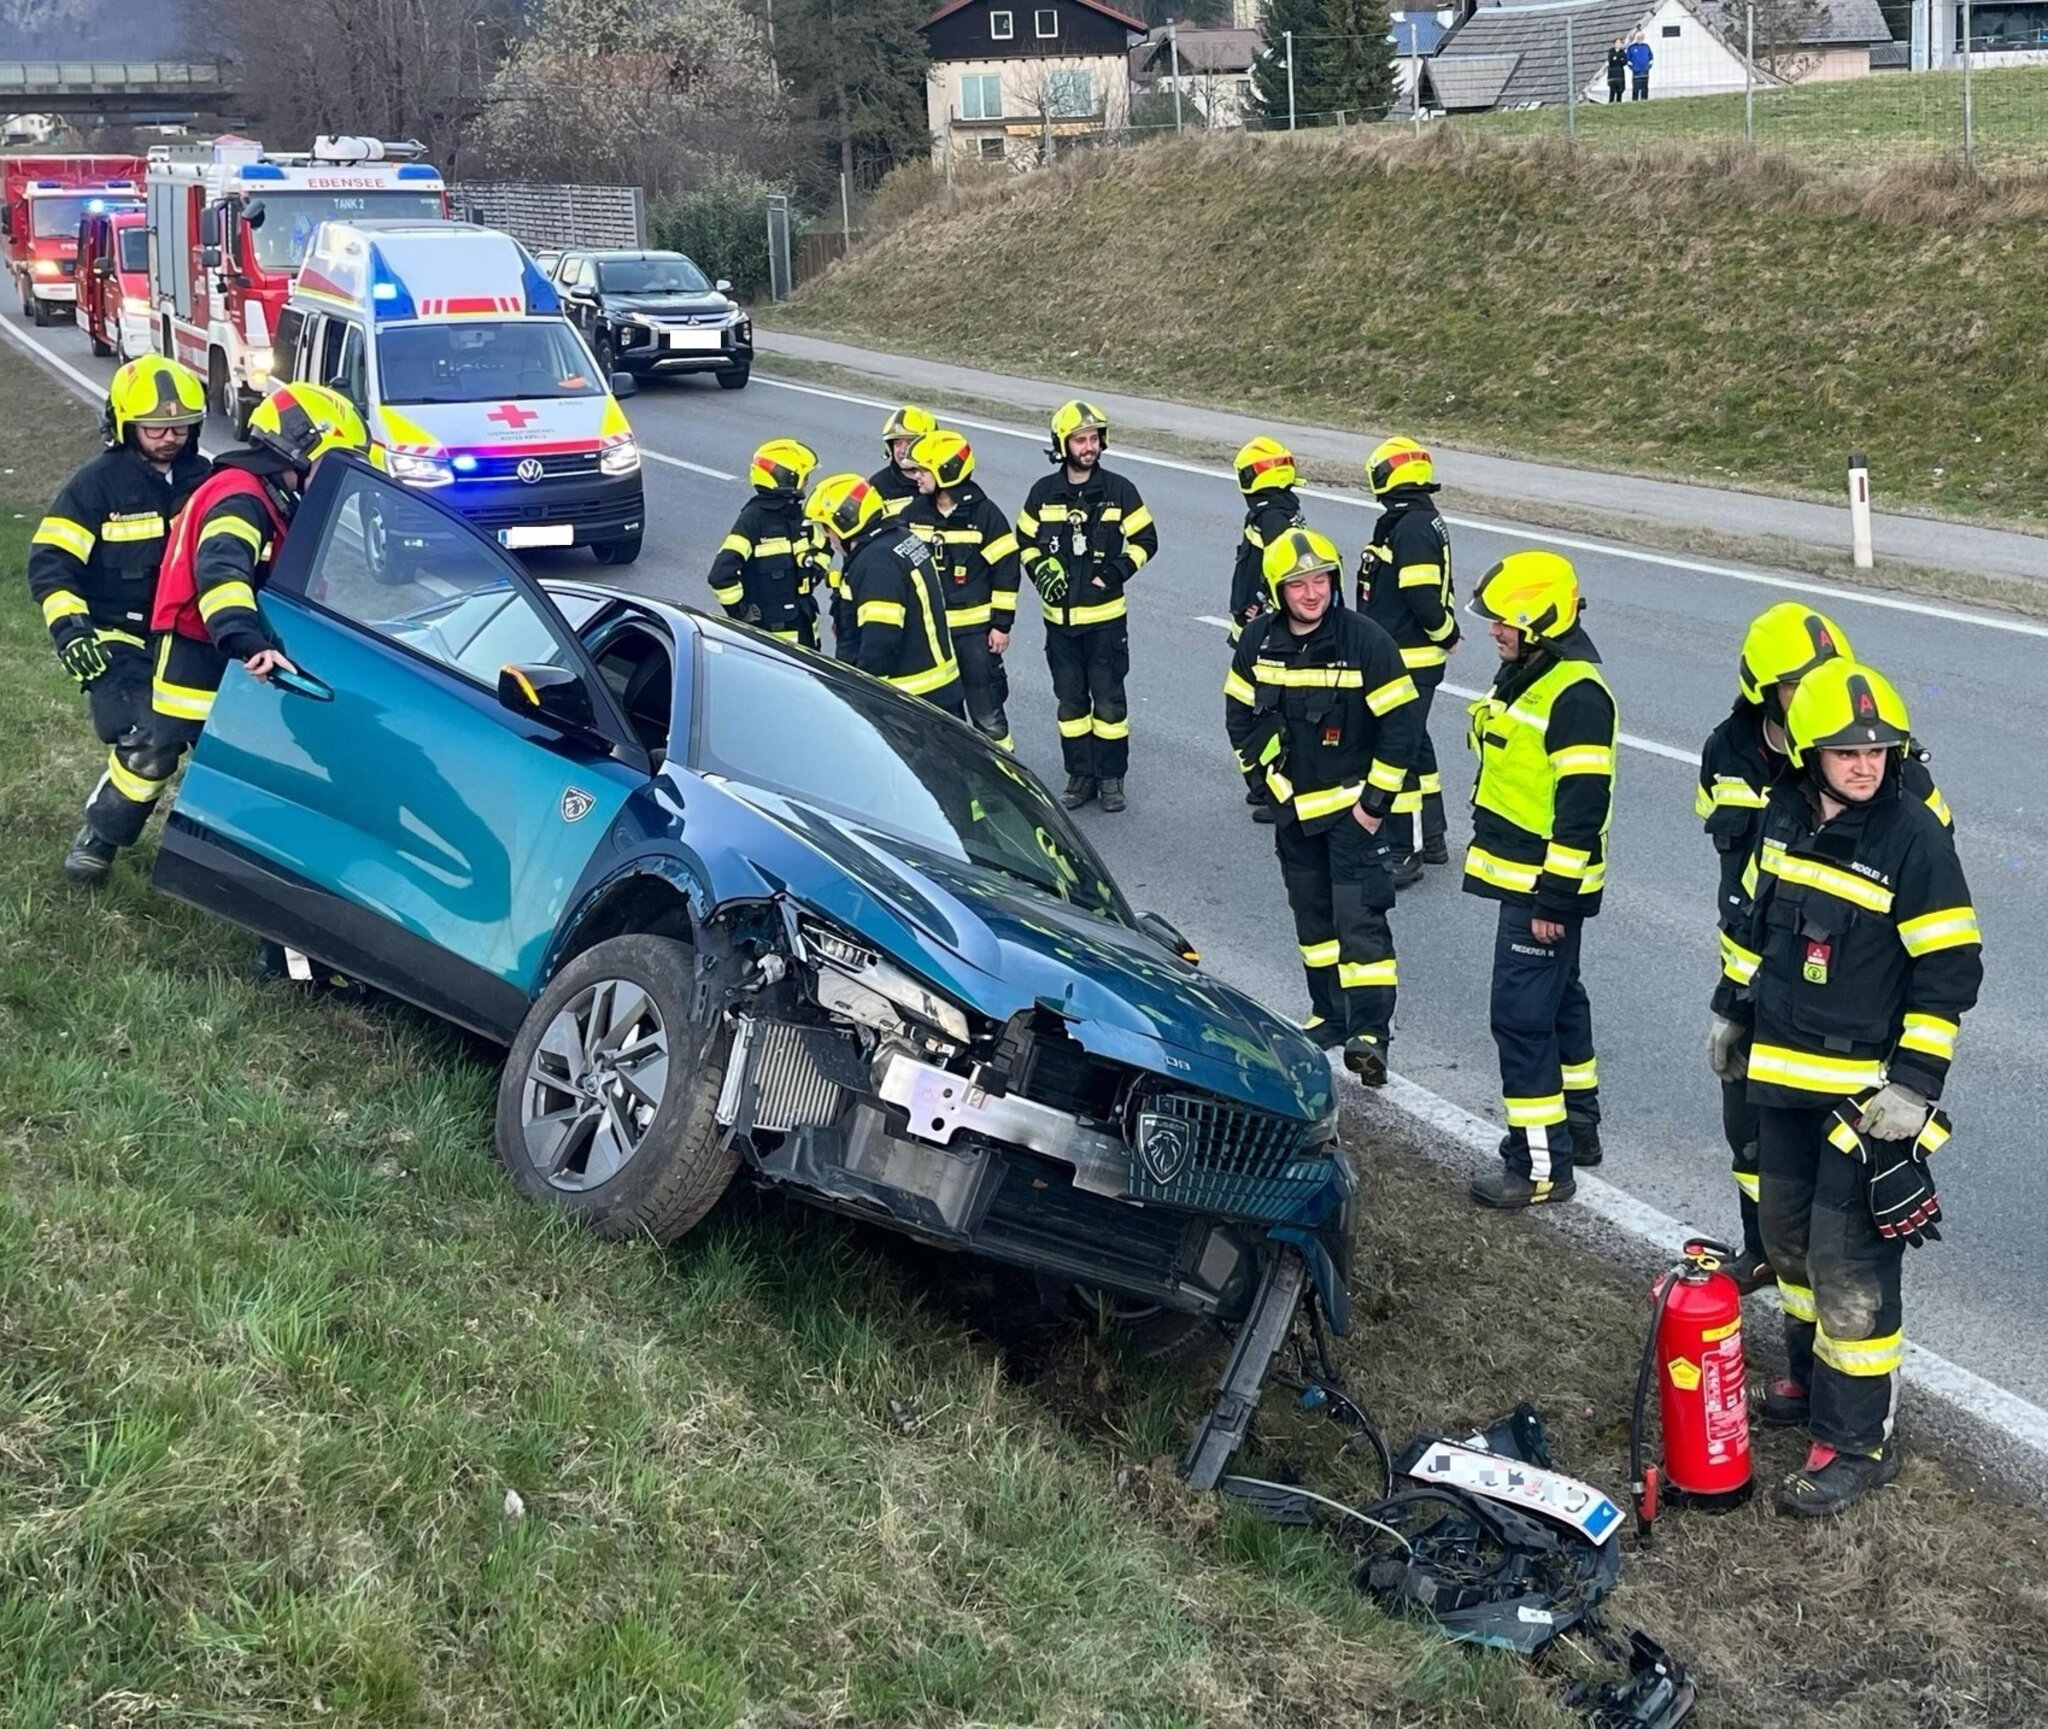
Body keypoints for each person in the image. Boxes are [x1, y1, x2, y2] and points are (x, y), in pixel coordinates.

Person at [1710, 659, 1980, 1516]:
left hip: (1865, 1099)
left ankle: (1859, 1442)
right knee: (1787, 1242)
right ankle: (1808, 1380)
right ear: (1808, 754)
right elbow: (1757, 924)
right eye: (1846, 750)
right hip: (1782, 1074)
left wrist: (1915, 1087)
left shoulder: (1914, 838)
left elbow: (1950, 969)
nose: (1865, 764)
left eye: (1877, 750)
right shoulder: (1784, 814)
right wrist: (1732, 1010)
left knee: (1849, 1264)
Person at [1696, 602, 1952, 1294]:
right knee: (1755, 1148)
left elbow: (1933, 908)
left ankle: (1834, 1334)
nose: (1815, 691)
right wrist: (1734, 1000)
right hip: (1763, 991)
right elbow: (1747, 894)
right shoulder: (1731, 752)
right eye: (1795, 684)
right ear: (1762, 690)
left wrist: (1913, 1072)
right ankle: (1765, 1255)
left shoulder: (1894, 781)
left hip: (1850, 1014)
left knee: (1842, 1214)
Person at [134, 383, 369, 851]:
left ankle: (219, 854)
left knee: (223, 761)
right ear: (300, 448)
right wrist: (248, 639)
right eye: (334, 461)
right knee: (157, 758)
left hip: (232, 649)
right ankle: (102, 842)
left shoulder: (268, 497)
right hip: (198, 650)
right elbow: (221, 573)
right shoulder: (241, 497)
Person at [1226, 528, 1419, 1077]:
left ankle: (1370, 1035)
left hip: (1353, 814)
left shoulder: (1366, 641)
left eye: (1320, 580)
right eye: (1297, 584)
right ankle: (1329, 1015)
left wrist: (1374, 805)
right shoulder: (1258, 641)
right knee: (1314, 924)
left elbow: (1402, 727)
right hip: (1294, 815)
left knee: (1360, 924)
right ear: (1277, 590)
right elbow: (1239, 714)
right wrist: (1262, 781)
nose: (1311, 593)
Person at [1462, 551, 1617, 1209]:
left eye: (1505, 619)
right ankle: (1577, 1128)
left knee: (1521, 1019)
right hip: (1531, 882)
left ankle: (1540, 1165)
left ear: (1541, 621)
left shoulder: (1574, 695)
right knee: (1560, 1001)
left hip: (1541, 889)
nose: (1494, 629)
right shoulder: (1533, 672)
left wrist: (1553, 898)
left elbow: (1581, 809)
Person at [31, 355, 212, 883]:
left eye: (182, 427)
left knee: (224, 748)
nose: (170, 437)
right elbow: (51, 564)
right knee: (150, 739)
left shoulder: (208, 482)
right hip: (119, 637)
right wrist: (71, 632)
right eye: (156, 428)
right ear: (123, 424)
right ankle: (101, 836)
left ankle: (215, 861)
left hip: (189, 639)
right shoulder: (95, 485)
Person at [1016, 400, 1158, 814]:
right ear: (1062, 444)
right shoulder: (1043, 493)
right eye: (1080, 439)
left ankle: (1111, 779)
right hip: (1059, 627)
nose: (1089, 446)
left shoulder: (1119, 491)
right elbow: (1023, 541)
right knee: (1071, 705)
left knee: (1109, 705)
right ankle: (1080, 776)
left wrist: (1111, 575)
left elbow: (1146, 541)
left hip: (1105, 624)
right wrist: (1039, 570)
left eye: (1094, 438)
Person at [1354, 436, 1459, 885]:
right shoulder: (1412, 519)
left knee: (1398, 751)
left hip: (1407, 658)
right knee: (1416, 745)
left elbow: (1420, 595)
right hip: (1404, 654)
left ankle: (1405, 851)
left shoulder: (1412, 527)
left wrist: (1447, 633)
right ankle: (1432, 837)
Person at [805, 472, 963, 716]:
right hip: (936, 689)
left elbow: (880, 639)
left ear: (845, 523)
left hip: (908, 697)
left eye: (827, 527)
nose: (827, 536)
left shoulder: (876, 562)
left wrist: (864, 698)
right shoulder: (900, 538)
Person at [902, 427, 1019, 749]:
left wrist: (1001, 626)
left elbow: (1007, 572)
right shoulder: (913, 514)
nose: (916, 476)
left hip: (975, 636)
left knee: (988, 717)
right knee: (941, 716)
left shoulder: (985, 515)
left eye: (923, 470)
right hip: (930, 635)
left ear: (946, 471)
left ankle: (1000, 771)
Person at [1228, 436, 1308, 825]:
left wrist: (1261, 607)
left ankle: (1281, 793)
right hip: (1262, 630)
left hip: (1270, 637)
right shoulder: (1278, 511)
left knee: (1265, 714)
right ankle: (1266, 784)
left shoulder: (1272, 518)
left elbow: (1282, 571)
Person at [709, 438, 827, 649]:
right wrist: (741, 613)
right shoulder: (753, 520)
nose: (807, 483)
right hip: (772, 643)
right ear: (786, 478)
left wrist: (813, 571)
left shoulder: (796, 516)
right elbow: (720, 575)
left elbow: (824, 546)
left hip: (807, 634)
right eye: (805, 477)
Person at [869, 405, 936, 522]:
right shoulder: (879, 485)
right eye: (897, 443)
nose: (903, 451)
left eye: (910, 442)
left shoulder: (943, 480)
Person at [1627, 31, 1653, 99]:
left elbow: (1651, 58)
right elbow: (1628, 60)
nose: (1640, 38)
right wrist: (1633, 68)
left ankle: (1644, 101)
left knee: (1645, 88)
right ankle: (1635, 101)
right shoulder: (1631, 48)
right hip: (1636, 72)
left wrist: (1648, 66)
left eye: (1641, 37)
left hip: (1645, 71)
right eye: (1638, 37)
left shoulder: (1646, 47)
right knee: (1636, 89)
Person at [1606, 37, 1628, 103]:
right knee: (1612, 89)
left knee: (1620, 90)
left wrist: (1616, 59)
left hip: (1620, 73)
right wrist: (1619, 59)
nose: (1618, 44)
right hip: (1612, 73)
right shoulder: (1611, 51)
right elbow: (1611, 61)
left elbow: (1624, 62)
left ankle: (1619, 102)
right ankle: (1611, 102)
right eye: (1617, 43)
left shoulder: (1622, 52)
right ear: (1614, 44)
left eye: (1619, 43)